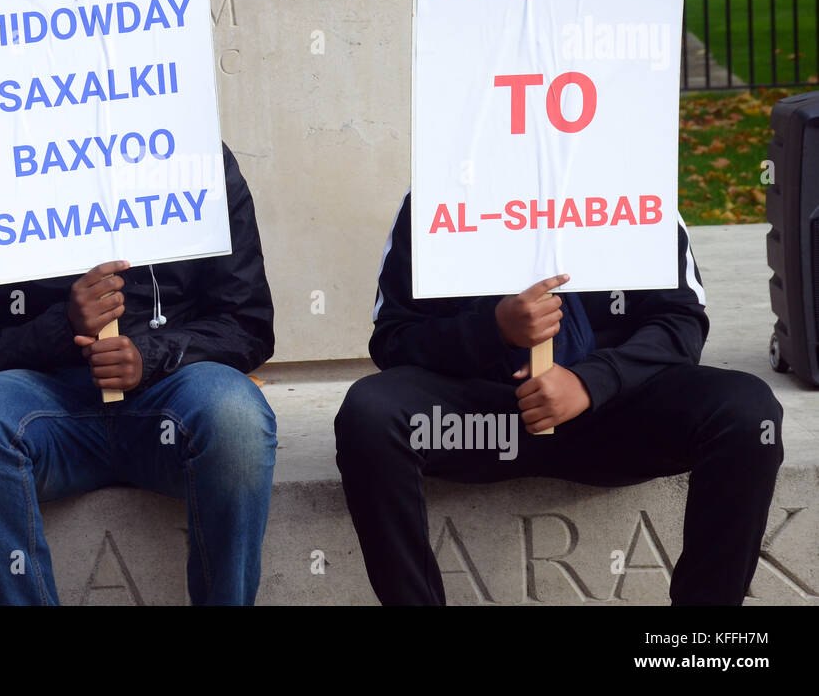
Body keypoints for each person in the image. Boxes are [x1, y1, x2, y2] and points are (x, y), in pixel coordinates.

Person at [335, 191, 785, 606]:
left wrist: (592, 382)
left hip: (614, 414)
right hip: (481, 421)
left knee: (747, 413)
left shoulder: (636, 180)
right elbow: (394, 341)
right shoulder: (438, 191)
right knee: (370, 414)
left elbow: (681, 325)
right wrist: (491, 328)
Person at [0, 144, 277, 605]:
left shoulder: (200, 156)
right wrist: (64, 324)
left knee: (236, 417)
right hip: (49, 409)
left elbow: (248, 325)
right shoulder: (6, 159)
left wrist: (150, 356)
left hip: (174, 401)